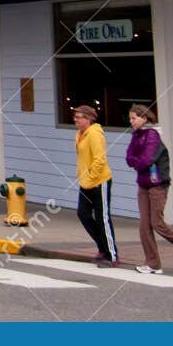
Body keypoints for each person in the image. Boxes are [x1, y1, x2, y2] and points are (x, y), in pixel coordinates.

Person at [125, 104, 173, 274]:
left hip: (157, 185)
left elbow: (147, 159)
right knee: (144, 226)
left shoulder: (152, 135)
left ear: (144, 118)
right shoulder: (136, 135)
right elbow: (129, 157)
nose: (131, 121)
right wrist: (137, 161)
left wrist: (137, 162)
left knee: (157, 223)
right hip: (143, 184)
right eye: (130, 118)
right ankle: (153, 264)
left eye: (134, 118)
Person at [72, 104, 119, 266]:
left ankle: (111, 255)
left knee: (102, 218)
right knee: (83, 214)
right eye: (75, 117)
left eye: (79, 117)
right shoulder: (79, 134)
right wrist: (83, 177)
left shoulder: (94, 134)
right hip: (85, 182)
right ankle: (103, 246)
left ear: (88, 119)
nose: (76, 120)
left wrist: (91, 176)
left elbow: (100, 159)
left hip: (99, 182)